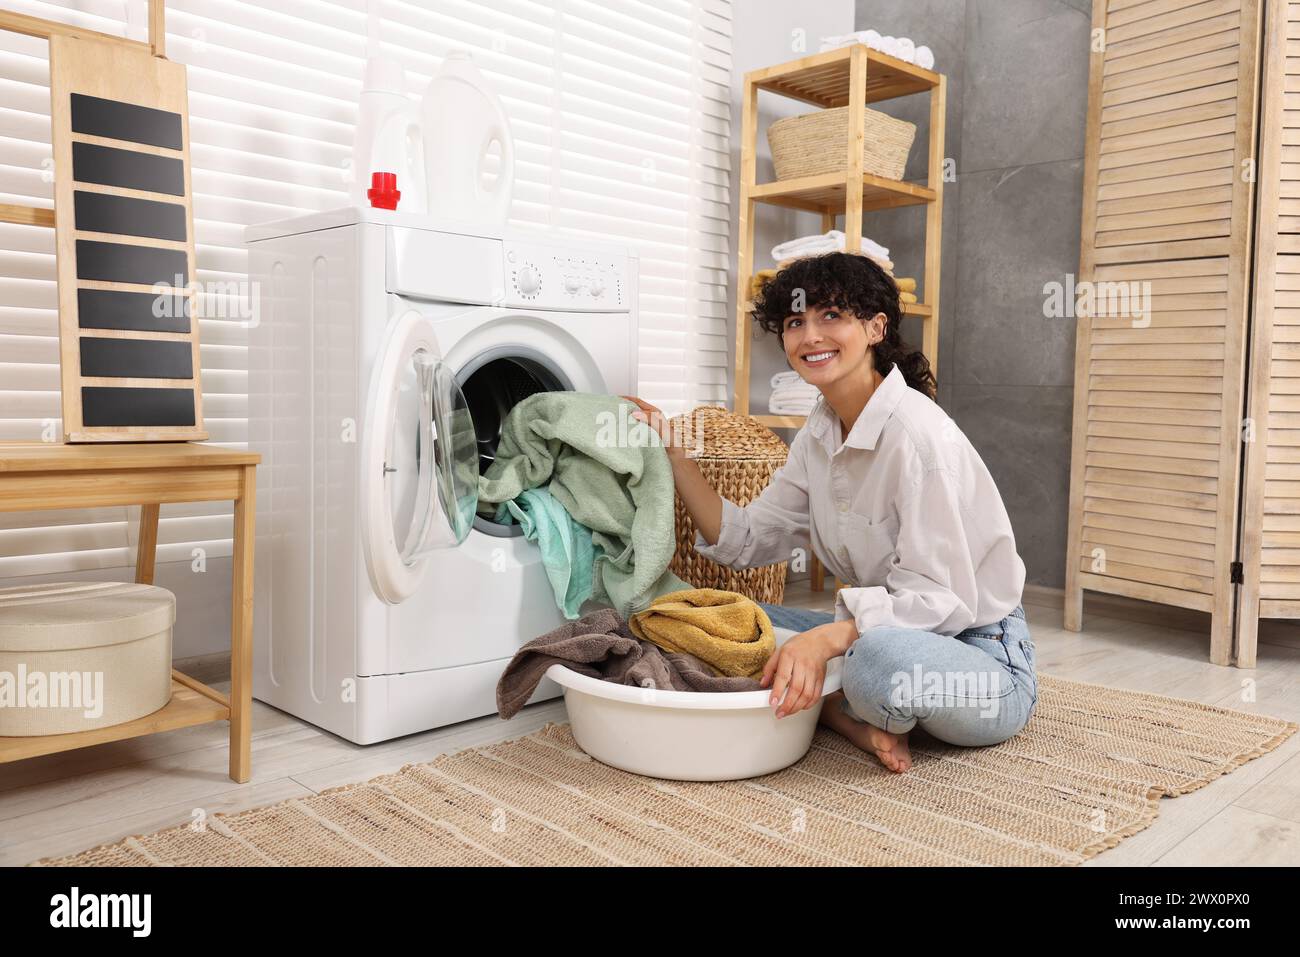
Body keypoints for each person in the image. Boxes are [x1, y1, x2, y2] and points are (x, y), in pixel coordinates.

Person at [621, 251, 1034, 774]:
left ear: (875, 327)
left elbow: (941, 602)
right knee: (694, 615)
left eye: (831, 315)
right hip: (877, 631)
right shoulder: (820, 431)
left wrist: (827, 640)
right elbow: (747, 539)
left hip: (978, 655)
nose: (811, 335)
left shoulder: (918, 440)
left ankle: (838, 699)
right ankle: (840, 709)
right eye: (796, 322)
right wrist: (675, 453)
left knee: (877, 666)